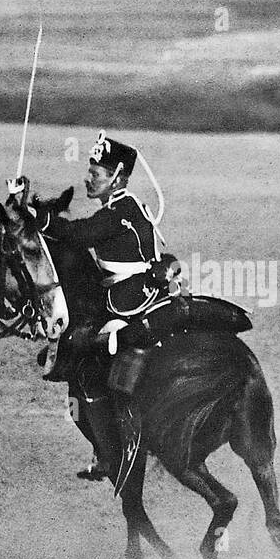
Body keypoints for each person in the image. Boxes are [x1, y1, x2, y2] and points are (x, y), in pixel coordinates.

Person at [31, 131, 177, 478]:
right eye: (90, 171)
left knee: (87, 369)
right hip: (135, 293)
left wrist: (38, 217)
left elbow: (80, 234)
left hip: (133, 300)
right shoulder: (120, 207)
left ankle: (112, 450)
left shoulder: (121, 210)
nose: (88, 178)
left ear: (117, 178)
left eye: (95, 174)